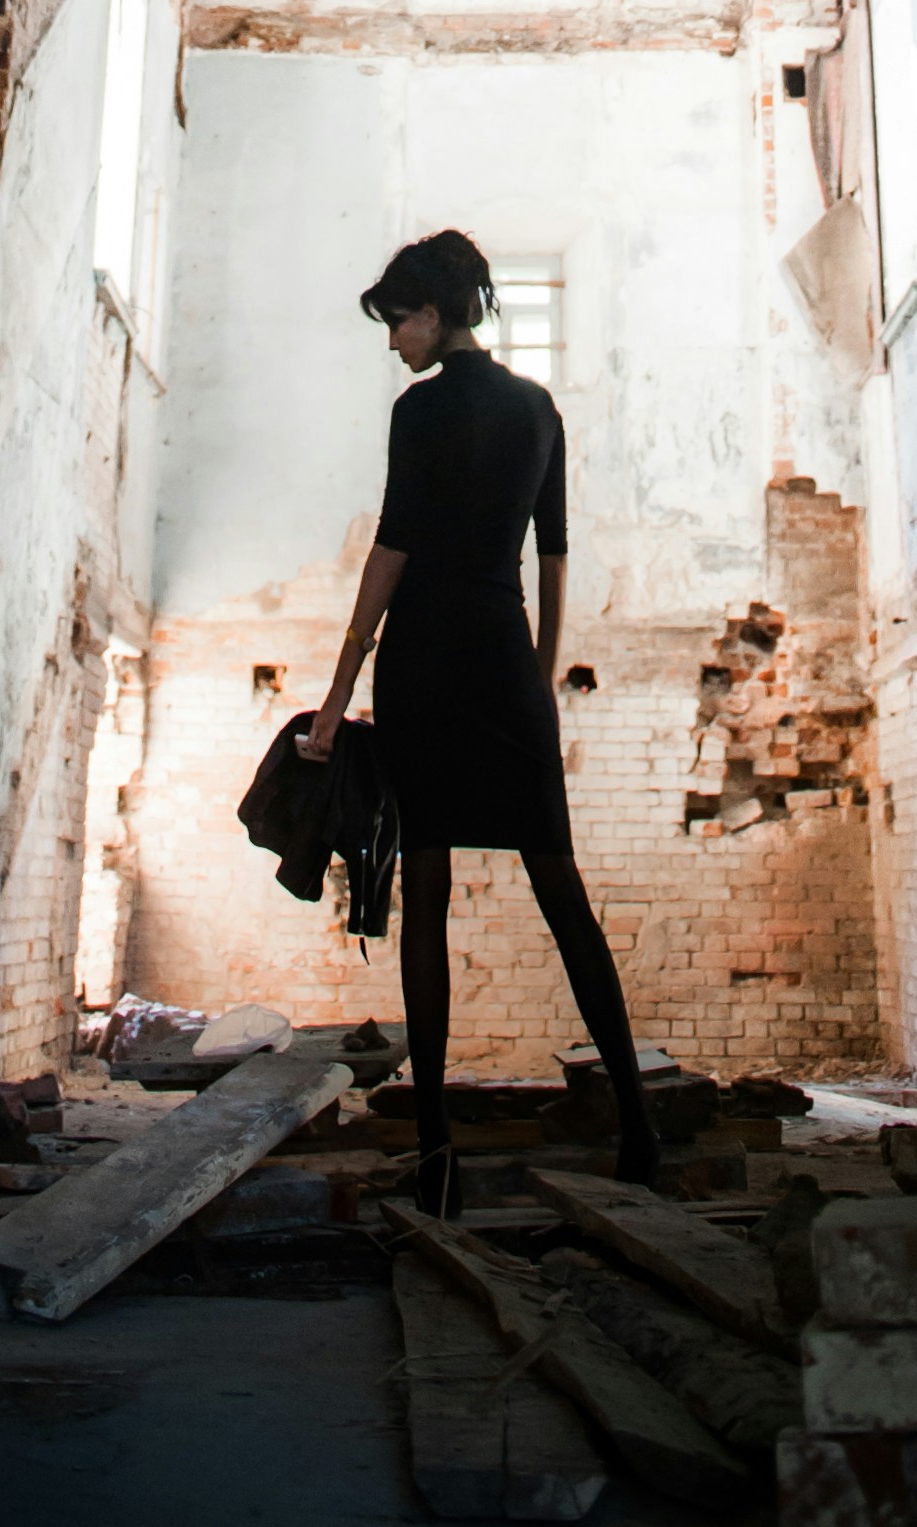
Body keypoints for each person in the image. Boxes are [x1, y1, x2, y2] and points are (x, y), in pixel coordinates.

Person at [303, 228, 656, 1214]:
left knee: (427, 890)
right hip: (502, 662)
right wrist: (537, 682)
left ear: (431, 313)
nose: (392, 345)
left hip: (424, 661)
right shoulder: (539, 409)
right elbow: (554, 557)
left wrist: (336, 698)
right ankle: (639, 1125)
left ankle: (436, 1151)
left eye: (396, 324)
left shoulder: (419, 414)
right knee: (560, 887)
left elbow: (392, 550)